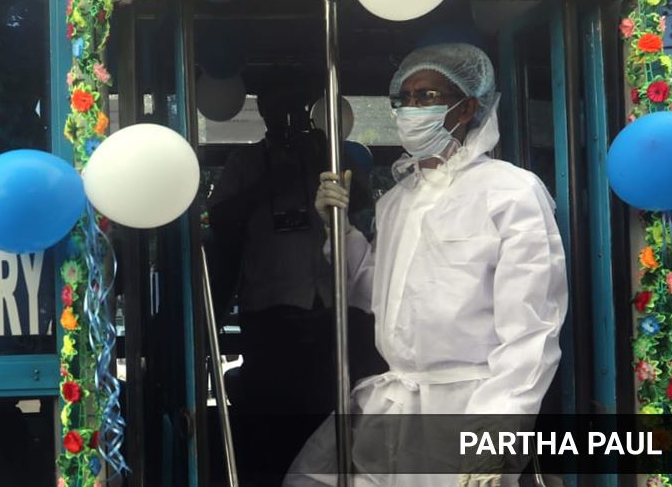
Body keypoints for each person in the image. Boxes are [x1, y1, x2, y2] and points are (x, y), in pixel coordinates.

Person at [283, 43, 568, 487]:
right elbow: (375, 292)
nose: (411, 109)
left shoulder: (510, 192)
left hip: (470, 406)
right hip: (394, 409)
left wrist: (496, 436)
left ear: (467, 106)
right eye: (405, 99)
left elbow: (532, 331)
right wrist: (338, 232)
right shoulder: (398, 201)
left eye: (427, 97)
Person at [208, 83, 381, 487]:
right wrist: (269, 182)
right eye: (277, 109)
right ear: (264, 113)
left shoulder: (326, 155)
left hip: (327, 307)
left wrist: (322, 153)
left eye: (293, 110)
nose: (286, 119)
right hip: (271, 306)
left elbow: (361, 208)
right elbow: (221, 221)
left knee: (326, 411)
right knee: (271, 414)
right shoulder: (245, 160)